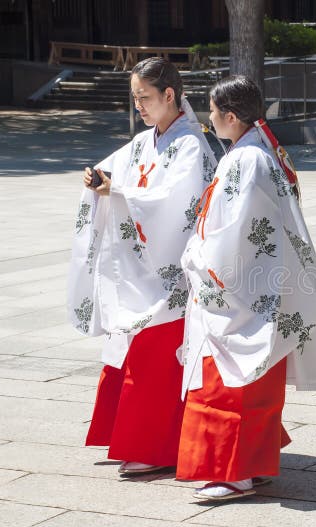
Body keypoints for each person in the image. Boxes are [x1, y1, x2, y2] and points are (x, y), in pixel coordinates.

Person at [176, 75, 316, 501]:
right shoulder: (258, 152)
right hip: (260, 283)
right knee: (253, 383)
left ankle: (234, 471)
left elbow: (240, 232)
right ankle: (254, 465)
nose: (209, 119)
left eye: (212, 112)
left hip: (241, 286)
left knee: (227, 386)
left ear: (230, 116)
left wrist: (199, 260)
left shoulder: (246, 160)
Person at [67, 57, 216, 474]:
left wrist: (121, 192)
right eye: (135, 99)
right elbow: (117, 168)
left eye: (145, 98)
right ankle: (138, 440)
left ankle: (154, 447)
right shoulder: (148, 140)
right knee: (134, 348)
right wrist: (99, 178)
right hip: (146, 266)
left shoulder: (192, 144)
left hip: (173, 269)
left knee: (156, 356)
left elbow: (175, 202)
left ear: (170, 95)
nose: (140, 107)